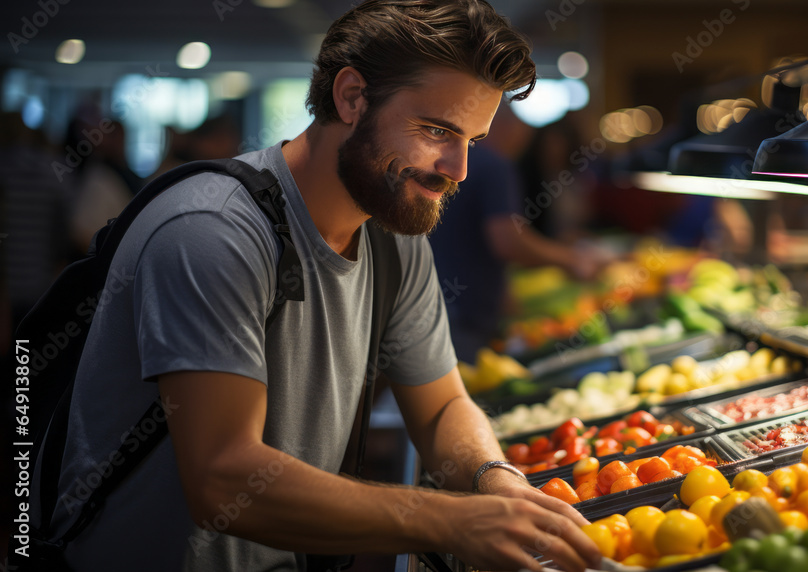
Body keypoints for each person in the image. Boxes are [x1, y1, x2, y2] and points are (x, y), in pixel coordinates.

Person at [33, 1, 602, 571]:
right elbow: (223, 477)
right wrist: (451, 519)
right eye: (436, 130)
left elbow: (441, 407)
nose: (458, 169)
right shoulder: (212, 230)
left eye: (472, 141)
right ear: (352, 97)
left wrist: (493, 478)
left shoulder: (394, 239)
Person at [429, 107, 613, 362]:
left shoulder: (446, 160)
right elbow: (508, 241)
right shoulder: (496, 165)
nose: (524, 145)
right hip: (467, 312)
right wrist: (572, 260)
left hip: (432, 303)